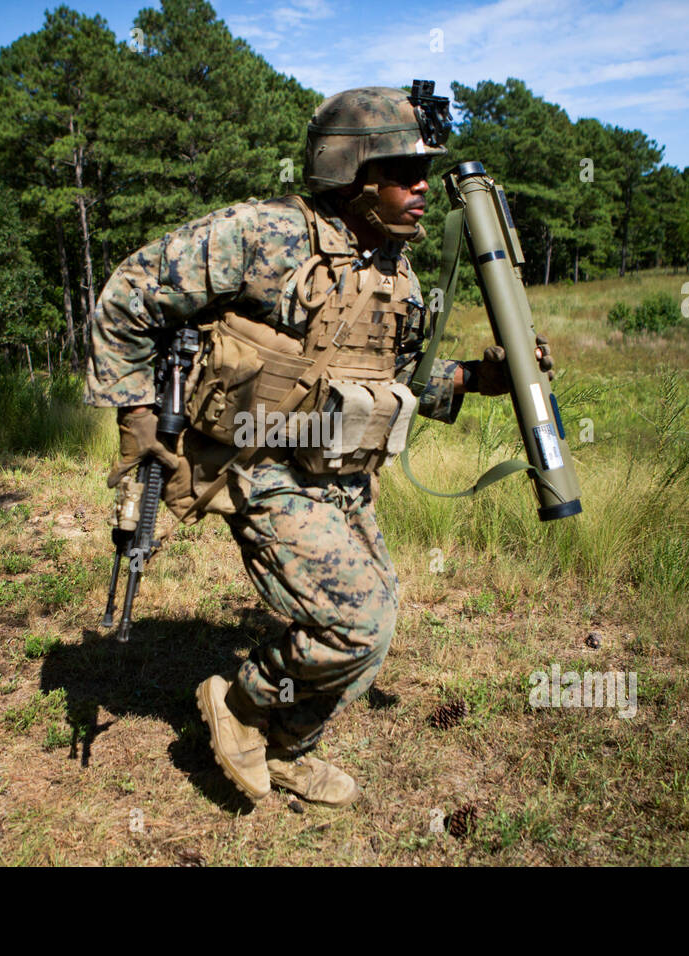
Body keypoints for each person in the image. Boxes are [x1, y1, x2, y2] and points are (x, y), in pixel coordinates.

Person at [85, 83, 553, 808]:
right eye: (403, 173)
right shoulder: (266, 236)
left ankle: (289, 746)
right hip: (261, 463)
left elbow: (391, 376)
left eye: (425, 173)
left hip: (340, 469)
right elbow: (128, 294)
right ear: (355, 174)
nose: (422, 189)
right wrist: (139, 412)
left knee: (378, 625)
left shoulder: (398, 269)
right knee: (354, 623)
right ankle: (241, 704)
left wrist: (478, 378)